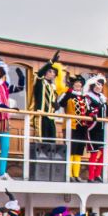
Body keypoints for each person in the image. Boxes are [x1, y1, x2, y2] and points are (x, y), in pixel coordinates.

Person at [31, 53, 67, 182]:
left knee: (52, 143)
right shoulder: (40, 82)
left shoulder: (52, 87)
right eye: (50, 71)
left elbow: (54, 101)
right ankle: (40, 170)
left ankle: (50, 171)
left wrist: (56, 105)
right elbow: (39, 73)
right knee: (41, 143)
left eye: (54, 73)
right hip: (41, 116)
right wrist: (51, 61)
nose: (52, 74)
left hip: (51, 117)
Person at [55, 75, 90, 181]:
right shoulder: (68, 95)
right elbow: (61, 103)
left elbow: (87, 111)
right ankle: (69, 174)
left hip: (82, 127)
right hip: (71, 126)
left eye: (80, 83)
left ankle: (76, 174)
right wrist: (68, 91)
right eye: (76, 83)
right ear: (73, 85)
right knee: (71, 150)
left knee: (79, 150)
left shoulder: (84, 98)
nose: (78, 85)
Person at [81, 75, 108, 182]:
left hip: (102, 128)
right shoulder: (88, 97)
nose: (99, 87)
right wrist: (92, 113)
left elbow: (107, 112)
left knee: (105, 150)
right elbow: (87, 110)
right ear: (92, 85)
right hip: (93, 128)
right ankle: (91, 177)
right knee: (94, 152)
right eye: (97, 84)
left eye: (101, 85)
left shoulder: (102, 98)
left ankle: (97, 173)